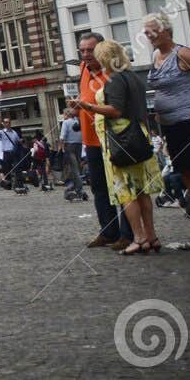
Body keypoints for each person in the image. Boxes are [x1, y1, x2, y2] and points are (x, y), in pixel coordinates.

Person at [74, 39, 163, 255]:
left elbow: (115, 110)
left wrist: (88, 106)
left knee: (126, 192)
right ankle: (150, 236)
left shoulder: (114, 79)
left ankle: (137, 237)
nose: (87, 55)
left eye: (93, 51)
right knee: (141, 191)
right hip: (136, 137)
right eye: (83, 50)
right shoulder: (132, 76)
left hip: (121, 140)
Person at [142, 12, 190, 251]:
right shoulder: (156, 56)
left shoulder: (182, 54)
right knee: (188, 179)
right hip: (172, 127)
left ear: (166, 31)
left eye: (152, 31)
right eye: (146, 32)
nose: (148, 36)